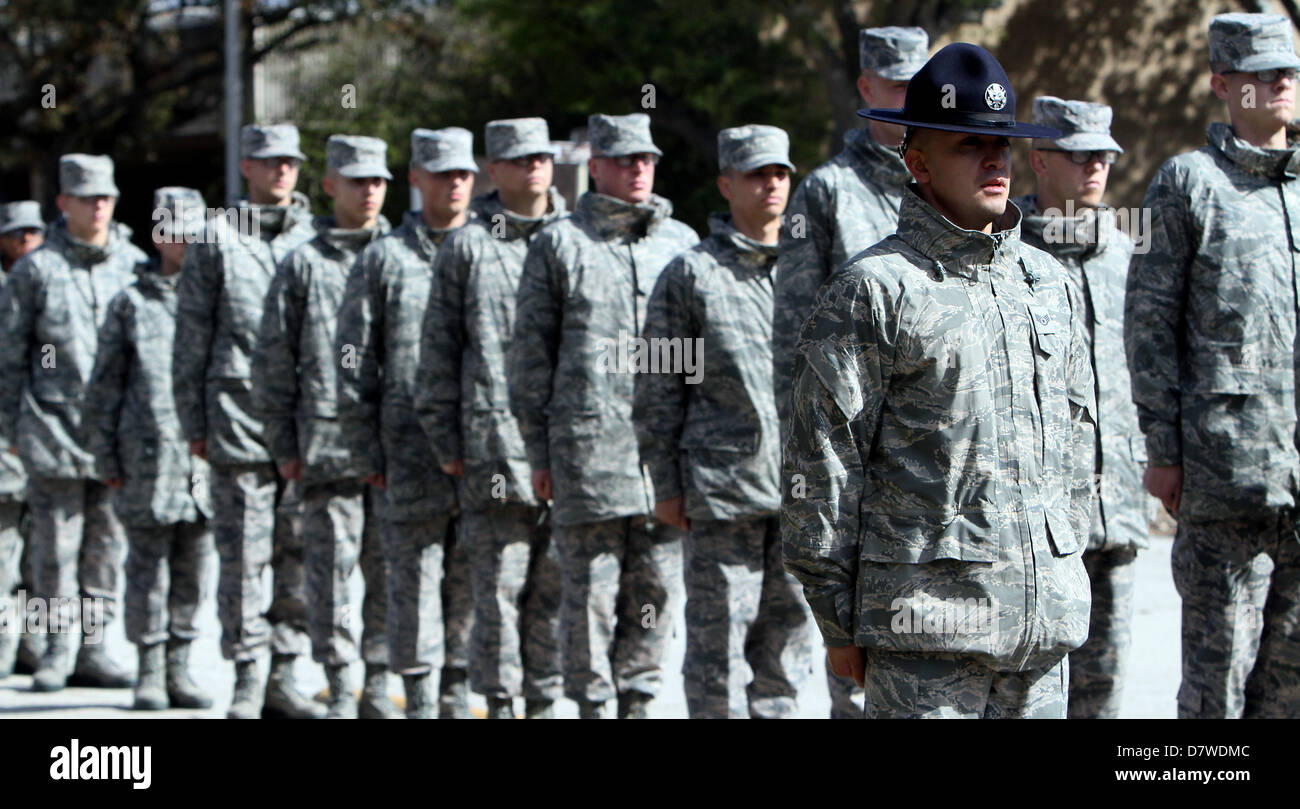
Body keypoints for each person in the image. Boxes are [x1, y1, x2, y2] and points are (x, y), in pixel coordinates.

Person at [783, 43, 1097, 718]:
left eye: (1002, 146)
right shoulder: (876, 289)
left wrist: (1066, 567)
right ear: (919, 162)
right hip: (927, 640)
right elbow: (823, 460)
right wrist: (837, 617)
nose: (992, 161)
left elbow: (1073, 444)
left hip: (1040, 640)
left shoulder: (1049, 284)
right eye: (968, 145)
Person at [1125, 12, 1300, 718]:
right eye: (1263, 73)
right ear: (1223, 85)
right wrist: (1163, 448)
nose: (1283, 81)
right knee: (1216, 691)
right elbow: (1151, 324)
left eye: (1289, 69)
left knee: (1288, 690)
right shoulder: (1188, 183)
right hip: (1225, 478)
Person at [509, 112, 698, 718]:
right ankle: (591, 706)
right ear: (595, 167)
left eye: (646, 159)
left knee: (657, 592)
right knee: (587, 598)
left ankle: (638, 704)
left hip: (663, 466)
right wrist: (538, 454)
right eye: (623, 159)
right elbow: (530, 360)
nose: (638, 169)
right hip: (587, 458)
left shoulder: (681, 243)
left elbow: (699, 358)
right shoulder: (560, 244)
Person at [772, 25, 928, 718]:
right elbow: (797, 341)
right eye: (894, 86)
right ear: (866, 88)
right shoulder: (825, 195)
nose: (905, 99)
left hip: (935, 467)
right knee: (860, 675)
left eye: (916, 87)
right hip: (859, 470)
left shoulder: (939, 180)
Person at [634, 124, 814, 718]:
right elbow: (658, 388)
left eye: (781, 173)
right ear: (725, 183)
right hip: (722, 493)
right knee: (717, 653)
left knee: (787, 649)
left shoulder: (811, 269)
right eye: (757, 173)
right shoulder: (691, 275)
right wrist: (664, 484)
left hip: (799, 495)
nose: (771, 184)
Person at [417, 118, 567, 719]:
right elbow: (438, 353)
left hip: (569, 453)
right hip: (494, 452)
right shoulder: (468, 245)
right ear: (494, 170)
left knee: (556, 592)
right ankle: (500, 703)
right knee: (499, 594)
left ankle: (546, 700)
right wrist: (447, 439)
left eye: (541, 156)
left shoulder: (575, 238)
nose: (533, 166)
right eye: (518, 158)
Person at [172, 123, 322, 718]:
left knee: (301, 555)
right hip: (239, 423)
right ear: (247, 169)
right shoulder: (215, 240)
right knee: (241, 559)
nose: (282, 172)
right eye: (270, 162)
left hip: (313, 426)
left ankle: (287, 672)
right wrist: (194, 424)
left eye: (290, 162)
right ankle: (246, 672)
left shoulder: (319, 236)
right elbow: (191, 337)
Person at [1013, 97, 1153, 719]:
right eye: (1079, 155)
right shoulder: (1006, 255)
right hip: (1036, 519)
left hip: (1115, 504)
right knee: (1033, 687)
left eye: (1104, 155)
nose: (1096, 167)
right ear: (1040, 161)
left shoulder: (1126, 255)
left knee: (1108, 686)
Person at [336, 127, 477, 718]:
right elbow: (352, 362)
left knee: (471, 573)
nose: (453, 184)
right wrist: (366, 452)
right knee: (412, 578)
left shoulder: (492, 252)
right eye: (441, 174)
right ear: (416, 179)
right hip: (407, 450)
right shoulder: (383, 259)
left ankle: (459, 686)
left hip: (481, 450)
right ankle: (417, 693)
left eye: (463, 174)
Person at [254, 135, 397, 718]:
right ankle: (339, 685)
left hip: (394, 454)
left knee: (389, 574)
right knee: (329, 579)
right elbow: (273, 362)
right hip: (326, 449)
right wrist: (284, 445)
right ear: (330, 185)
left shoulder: (405, 256)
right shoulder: (302, 264)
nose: (368, 191)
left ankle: (380, 680)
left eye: (378, 180)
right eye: (355, 180)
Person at [0, 154, 145, 692]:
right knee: (53, 550)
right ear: (63, 203)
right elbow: (10, 357)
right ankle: (54, 648)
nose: (100, 206)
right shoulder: (37, 269)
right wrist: (14, 429)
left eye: (106, 197)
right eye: (88, 198)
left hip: (114, 434)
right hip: (52, 429)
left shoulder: (132, 264)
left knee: (105, 546)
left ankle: (94, 645)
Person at [84, 186, 216, 711]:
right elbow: (104, 388)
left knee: (194, 571)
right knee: (145, 569)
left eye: (195, 230)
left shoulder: (216, 300)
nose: (186, 240)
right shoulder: (130, 303)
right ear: (159, 235)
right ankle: (149, 670)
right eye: (176, 230)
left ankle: (181, 665)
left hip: (205, 465)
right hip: (146, 462)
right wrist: (105, 455)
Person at [0, 200, 44, 677]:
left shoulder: (48, 286)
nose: (25, 241)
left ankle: (36, 643)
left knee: (42, 557)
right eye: (17, 234)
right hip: (5, 451)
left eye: (33, 233)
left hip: (46, 448)